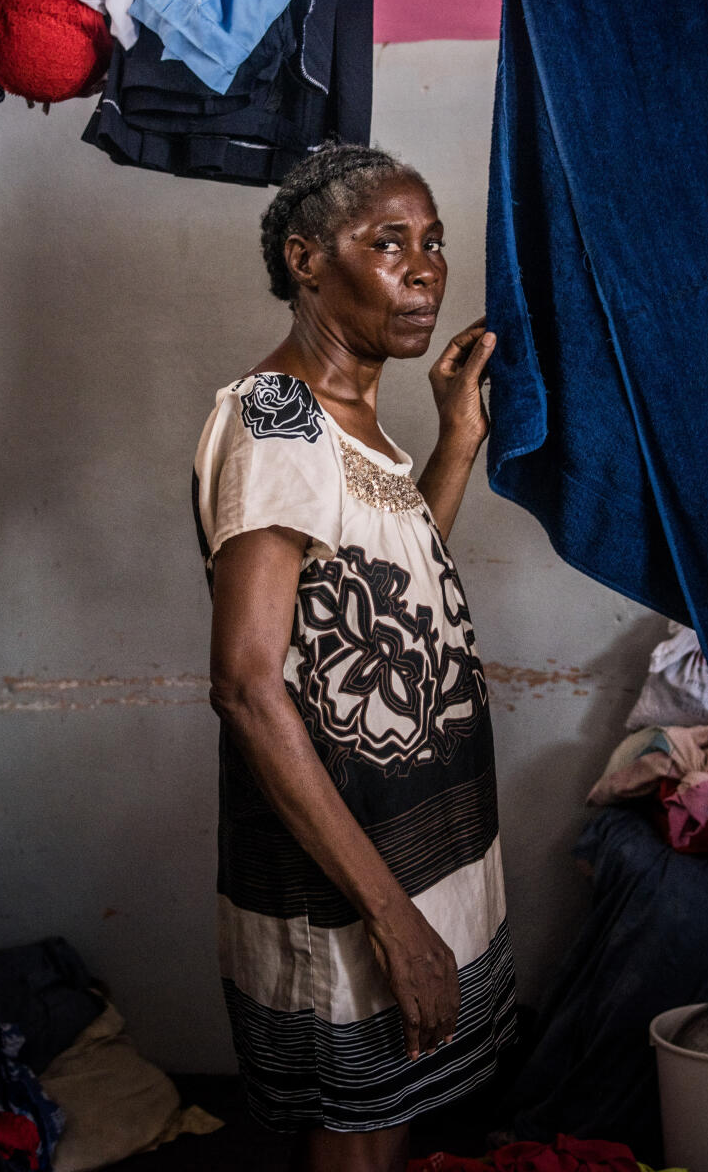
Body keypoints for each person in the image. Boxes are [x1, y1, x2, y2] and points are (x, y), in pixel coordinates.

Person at [192, 145, 516, 1171]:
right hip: (348, 859)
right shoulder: (275, 417)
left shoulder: (352, 423)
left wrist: (455, 439)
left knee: (395, 1092)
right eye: (388, 244)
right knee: (358, 1126)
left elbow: (387, 593)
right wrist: (391, 915)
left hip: (407, 831)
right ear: (306, 260)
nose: (424, 270)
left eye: (433, 244)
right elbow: (247, 688)